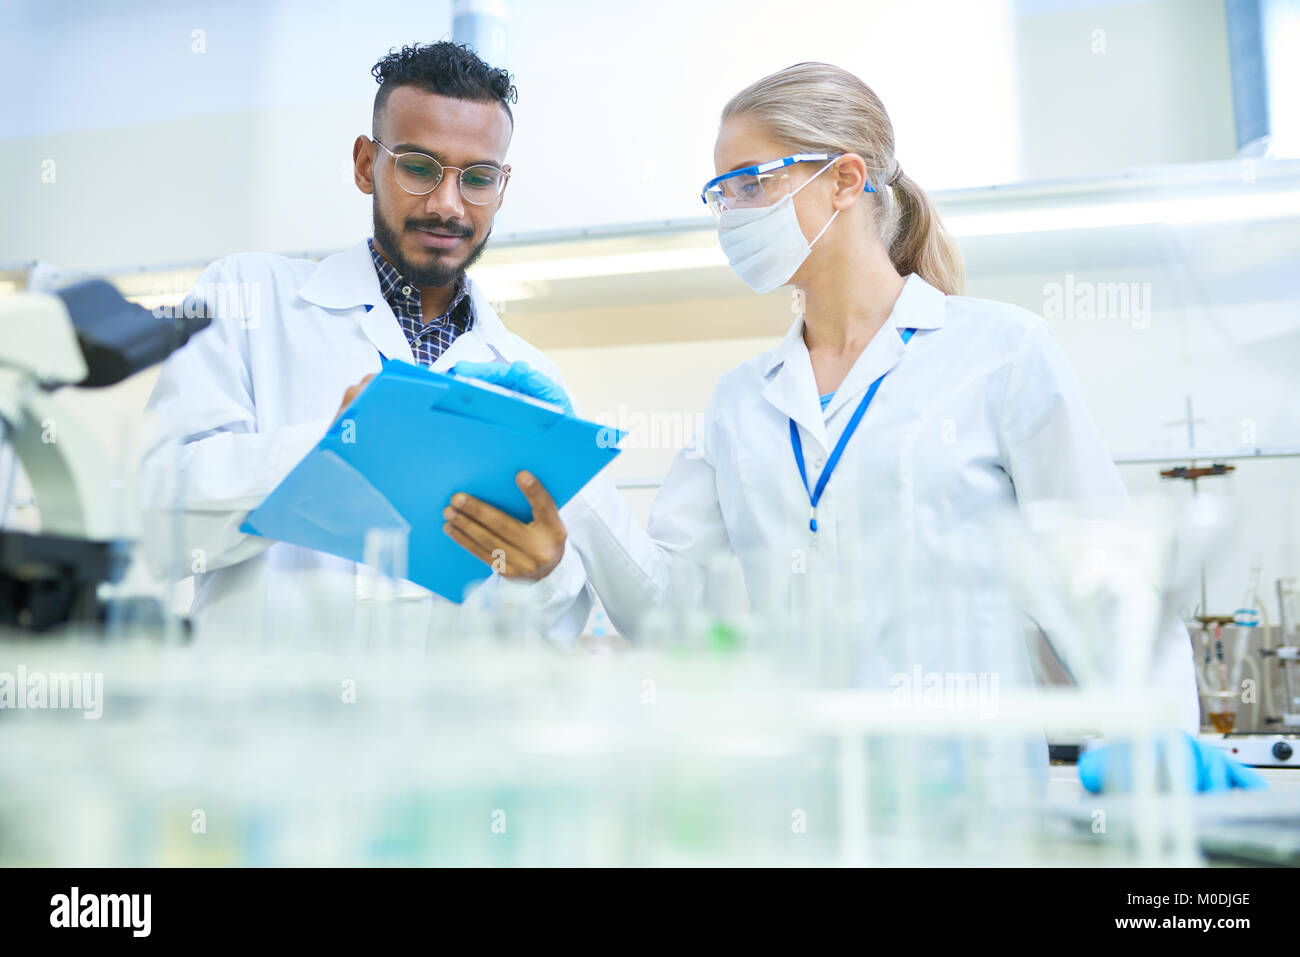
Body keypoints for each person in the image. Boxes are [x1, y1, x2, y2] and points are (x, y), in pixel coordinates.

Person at [443, 62, 1200, 733]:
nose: (733, 214)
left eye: (752, 183)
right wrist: (568, 456)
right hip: (804, 806)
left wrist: (1164, 753)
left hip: (974, 802)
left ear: (844, 178)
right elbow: (668, 612)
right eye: (721, 193)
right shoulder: (741, 403)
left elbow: (1111, 585)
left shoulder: (1000, 352)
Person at [140, 42, 587, 644]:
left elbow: (555, 632)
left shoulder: (530, 376)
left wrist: (543, 575)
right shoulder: (244, 294)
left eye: (477, 177)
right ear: (364, 164)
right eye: (419, 167)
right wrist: (326, 451)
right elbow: (155, 518)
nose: (448, 204)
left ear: (501, 188)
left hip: (450, 729)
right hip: (265, 726)